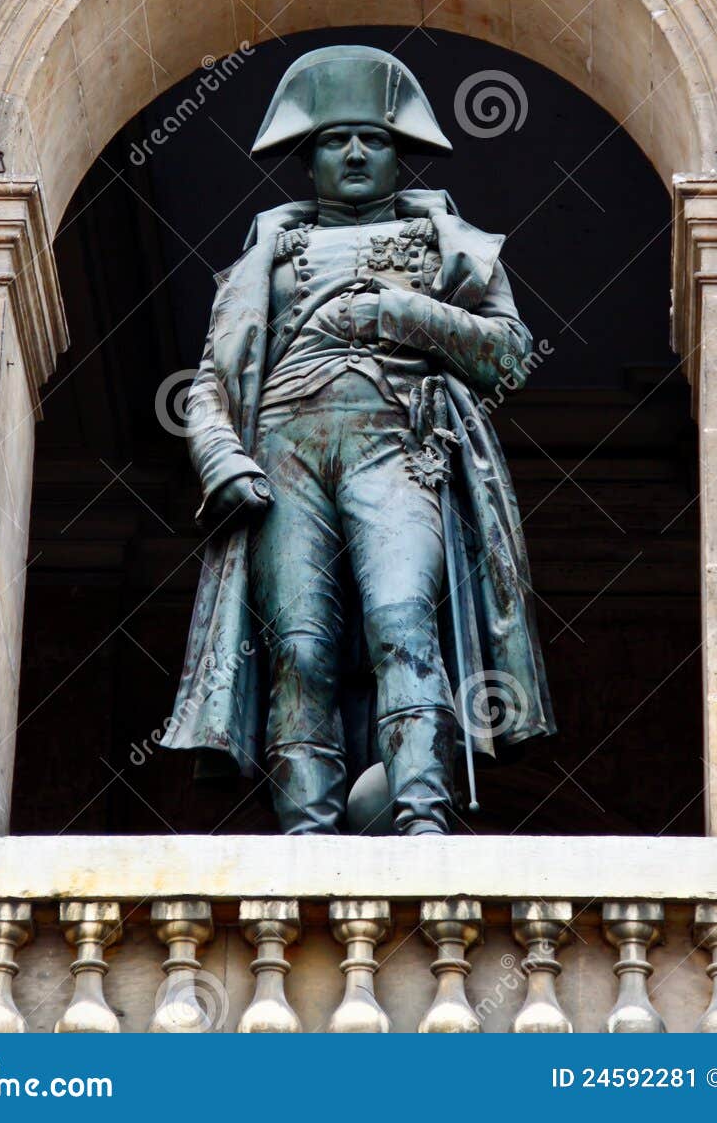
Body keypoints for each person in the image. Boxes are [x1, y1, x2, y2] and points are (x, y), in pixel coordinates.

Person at [162, 45, 553, 833]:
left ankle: (422, 819)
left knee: (403, 622)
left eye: (371, 139)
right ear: (307, 159)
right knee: (298, 650)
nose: (354, 152)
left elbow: (509, 352)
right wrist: (219, 455)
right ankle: (307, 833)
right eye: (335, 139)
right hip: (282, 449)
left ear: (396, 153)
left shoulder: (452, 244)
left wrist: (399, 313)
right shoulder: (264, 255)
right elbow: (214, 378)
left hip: (399, 443)